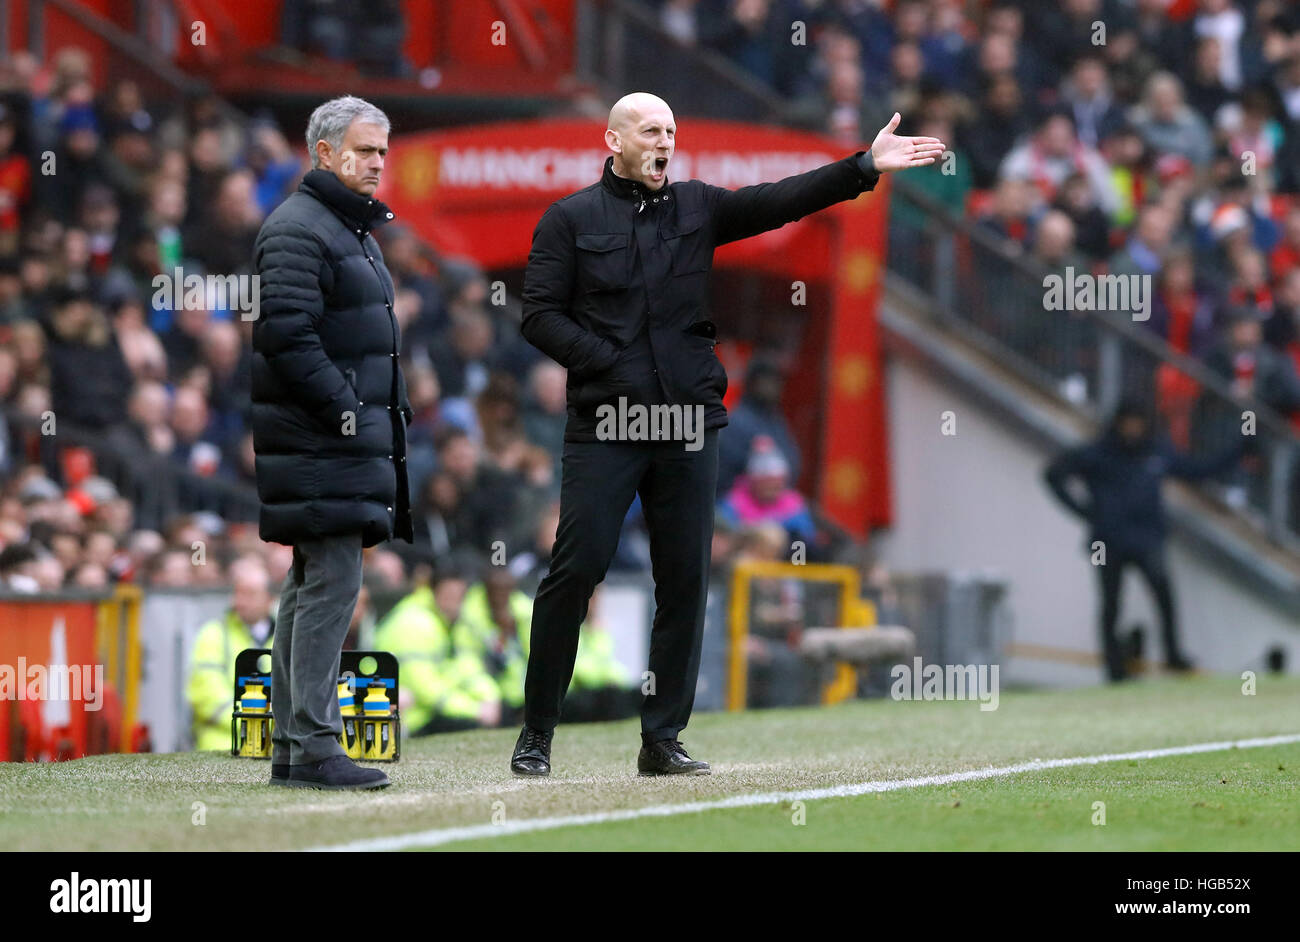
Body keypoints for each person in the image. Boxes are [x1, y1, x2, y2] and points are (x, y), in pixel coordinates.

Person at [511, 91, 943, 776]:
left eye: (671, 131)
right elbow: (537, 316)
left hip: (688, 422)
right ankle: (536, 732)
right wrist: (607, 362)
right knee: (577, 569)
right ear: (613, 141)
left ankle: (662, 739)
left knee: (684, 581)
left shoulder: (697, 207)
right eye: (651, 130)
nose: (664, 142)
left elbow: (783, 199)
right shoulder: (568, 220)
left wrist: (864, 166)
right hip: (607, 424)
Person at [251, 95, 413, 790]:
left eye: (383, 150)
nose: (379, 162)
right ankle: (315, 744)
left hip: (329, 438)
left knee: (311, 580)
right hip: (320, 438)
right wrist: (348, 411)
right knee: (332, 579)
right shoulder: (301, 228)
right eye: (366, 150)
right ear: (323, 152)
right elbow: (286, 334)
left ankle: (294, 744)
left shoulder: (345, 228)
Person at [1043, 399, 1249, 682]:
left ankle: (1173, 656)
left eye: (1138, 422)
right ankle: (1114, 668)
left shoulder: (1156, 452)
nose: (1133, 428)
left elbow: (1198, 469)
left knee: (1164, 596)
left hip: (1147, 539)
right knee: (1111, 604)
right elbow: (1053, 475)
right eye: (1128, 421)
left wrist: (1239, 450)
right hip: (1106, 543)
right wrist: (1085, 512)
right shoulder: (1097, 453)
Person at [187, 556, 274, 751]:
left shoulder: (287, 637)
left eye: (251, 594)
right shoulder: (213, 633)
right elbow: (208, 694)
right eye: (238, 593)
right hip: (222, 743)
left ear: (269, 599)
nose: (241, 601)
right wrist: (257, 723)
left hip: (275, 744)